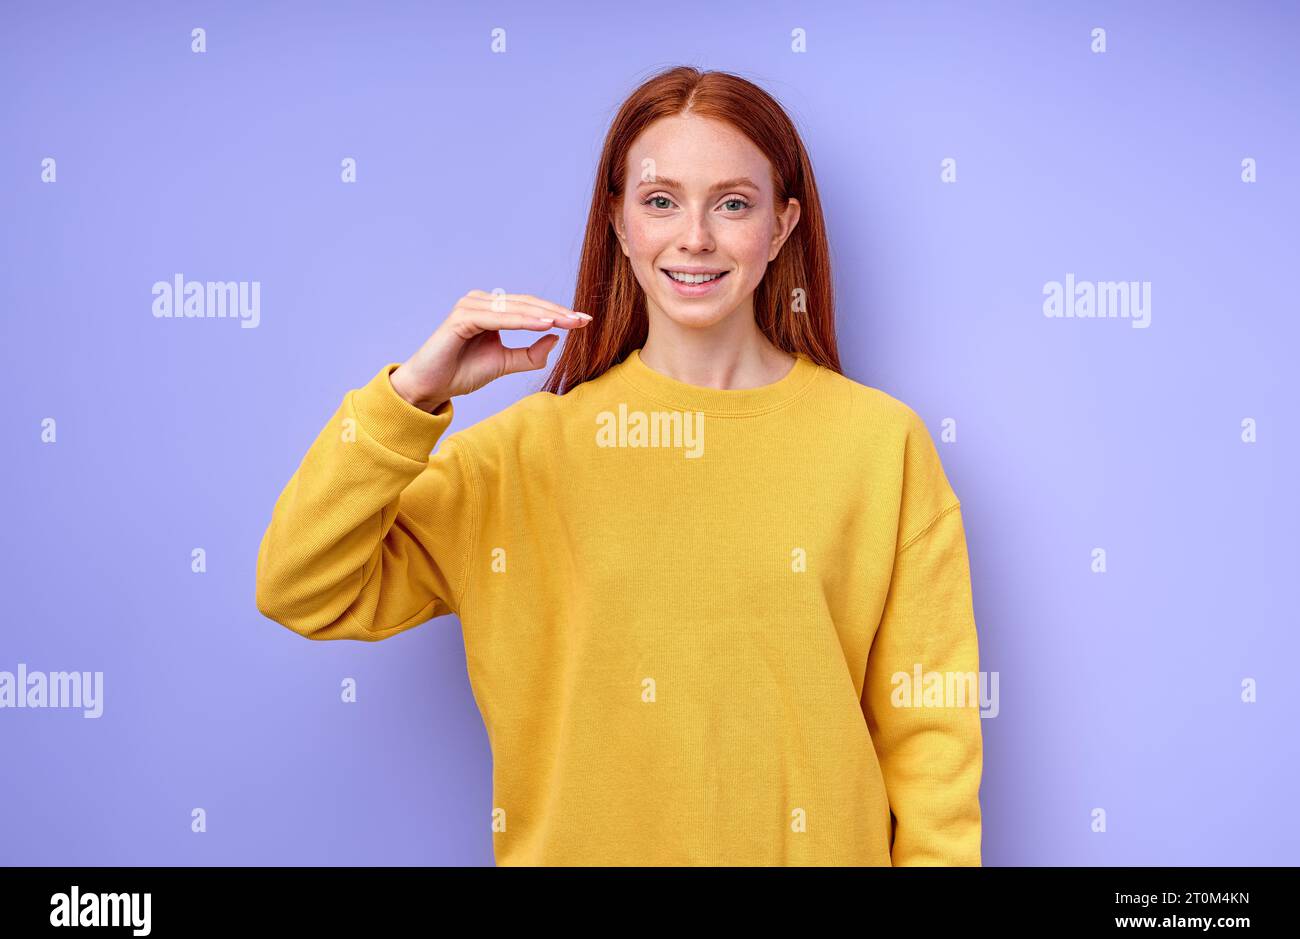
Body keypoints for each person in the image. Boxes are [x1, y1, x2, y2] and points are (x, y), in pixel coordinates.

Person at [255, 65, 984, 866]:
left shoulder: (880, 444)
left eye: (733, 203)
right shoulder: (520, 458)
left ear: (781, 227)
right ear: (619, 223)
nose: (695, 237)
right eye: (660, 200)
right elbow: (299, 587)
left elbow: (932, 749)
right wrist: (411, 396)